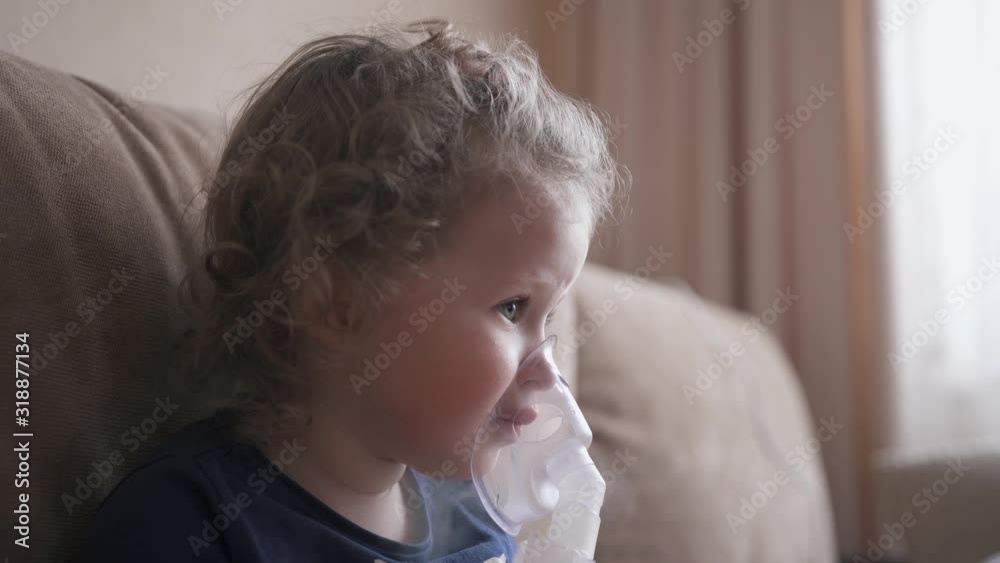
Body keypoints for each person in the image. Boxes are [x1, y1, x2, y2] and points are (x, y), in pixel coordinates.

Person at [79, 18, 624, 563]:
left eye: (548, 319)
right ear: (337, 301)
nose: (548, 373)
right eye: (512, 308)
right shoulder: (189, 521)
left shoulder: (479, 524)